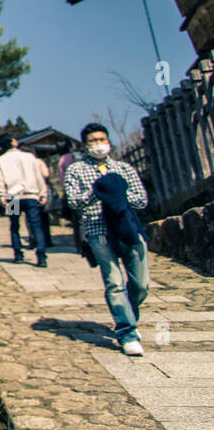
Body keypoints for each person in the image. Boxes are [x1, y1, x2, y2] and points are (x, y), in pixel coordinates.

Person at [64, 123, 150, 357]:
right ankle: (127, 332)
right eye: (93, 141)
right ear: (85, 145)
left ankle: (129, 315)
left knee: (141, 284)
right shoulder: (76, 170)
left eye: (101, 139)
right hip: (97, 228)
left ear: (109, 141)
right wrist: (97, 191)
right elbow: (73, 202)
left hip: (127, 228)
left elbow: (141, 199)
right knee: (114, 282)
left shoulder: (124, 168)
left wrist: (115, 194)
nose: (98, 144)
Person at [0, 132, 48, 267]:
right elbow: (38, 176)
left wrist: (1, 194)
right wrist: (43, 193)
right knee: (36, 226)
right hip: (30, 194)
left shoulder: (1, 160)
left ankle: (18, 255)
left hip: (12, 196)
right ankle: (41, 257)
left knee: (14, 226)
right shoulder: (29, 157)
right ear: (13, 142)